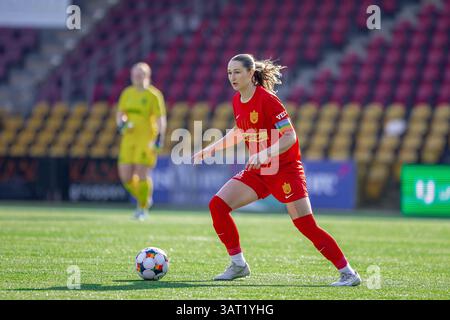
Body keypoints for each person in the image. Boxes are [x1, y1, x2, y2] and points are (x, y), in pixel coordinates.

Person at [193, 54, 361, 286]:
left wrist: (265, 153)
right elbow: (240, 132)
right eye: (229, 72)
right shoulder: (237, 100)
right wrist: (210, 149)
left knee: (305, 225)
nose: (232, 77)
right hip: (259, 171)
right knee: (218, 206)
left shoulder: (267, 100)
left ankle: (349, 273)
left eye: (237, 72)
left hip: (285, 170)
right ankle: (238, 264)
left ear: (251, 74)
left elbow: (290, 136)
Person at [116, 62, 166, 220]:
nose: (137, 78)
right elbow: (120, 114)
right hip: (128, 140)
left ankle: (142, 208)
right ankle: (144, 198)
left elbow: (160, 118)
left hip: (146, 140)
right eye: (134, 75)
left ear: (147, 76)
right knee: (125, 177)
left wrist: (159, 138)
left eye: (140, 75)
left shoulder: (153, 95)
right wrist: (122, 124)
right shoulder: (127, 93)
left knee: (142, 173)